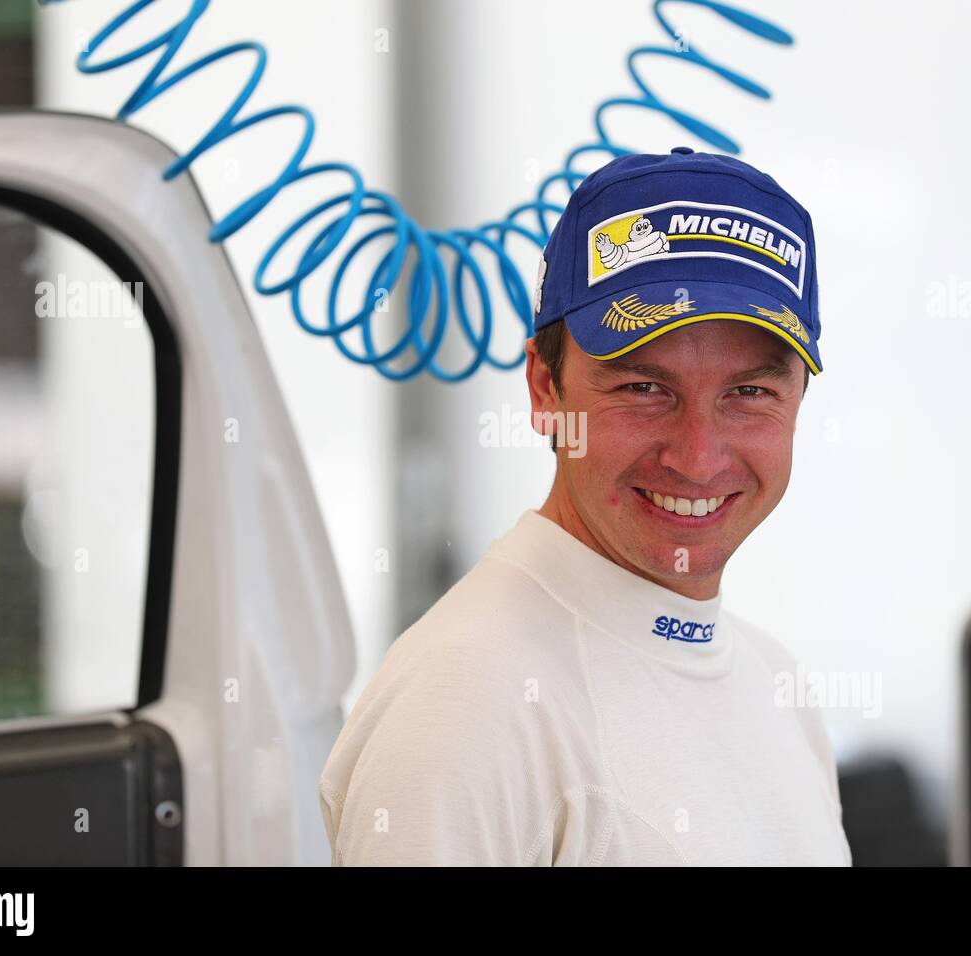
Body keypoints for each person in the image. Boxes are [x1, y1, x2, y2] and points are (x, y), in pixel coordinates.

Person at [319, 147, 851, 865]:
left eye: (749, 393)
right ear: (545, 388)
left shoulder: (777, 686)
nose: (698, 456)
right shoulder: (465, 704)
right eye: (642, 389)